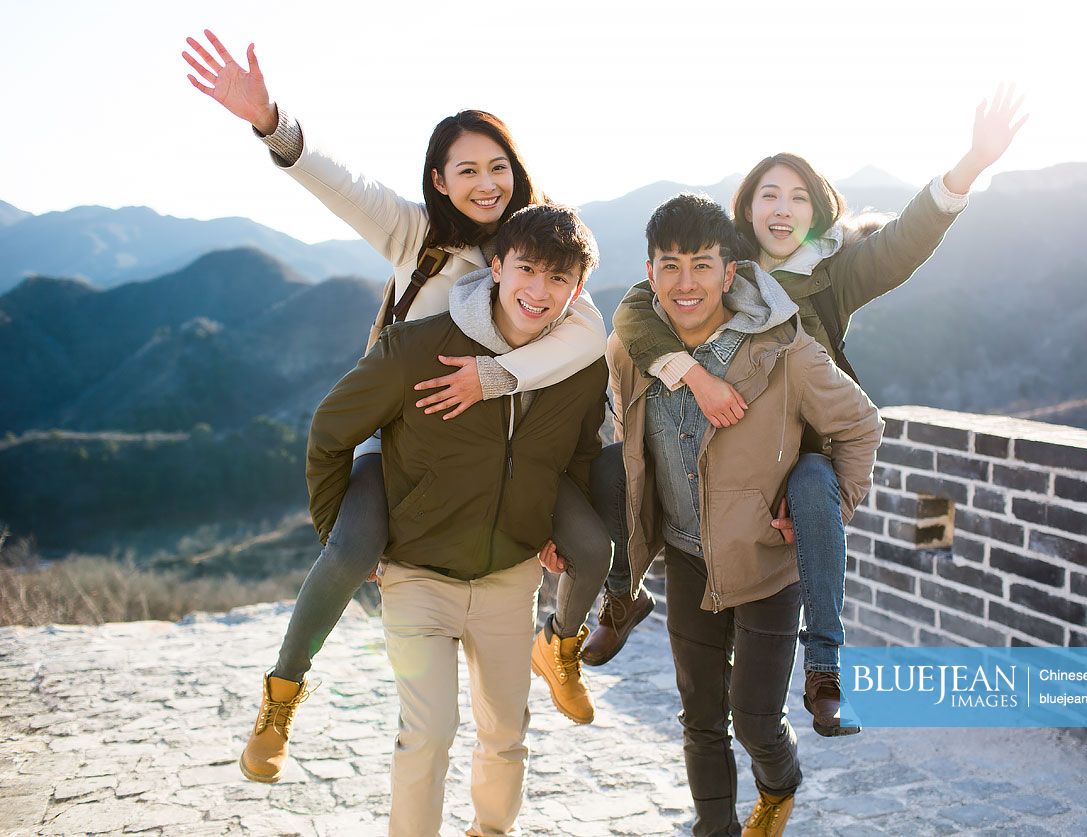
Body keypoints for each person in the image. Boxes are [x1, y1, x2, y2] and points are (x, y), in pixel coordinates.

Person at [181, 30, 611, 784]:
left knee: (596, 536)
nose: (486, 182)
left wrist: (495, 379)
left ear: (518, 172)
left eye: (498, 166)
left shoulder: (539, 249)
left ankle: (564, 642)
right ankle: (280, 701)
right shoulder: (417, 237)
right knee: (349, 552)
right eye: (466, 170)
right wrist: (269, 120)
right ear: (439, 181)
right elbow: (337, 180)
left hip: (510, 451)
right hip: (407, 444)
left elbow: (588, 332)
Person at [586, 87, 1027, 736]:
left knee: (817, 490)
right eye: (768, 193)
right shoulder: (716, 264)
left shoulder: (834, 273)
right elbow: (631, 308)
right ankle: (622, 596)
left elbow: (906, 240)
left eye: (797, 196)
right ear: (747, 208)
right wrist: (685, 371)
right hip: (711, 436)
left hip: (798, 453)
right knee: (621, 460)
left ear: (817, 210)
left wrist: (970, 164)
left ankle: (823, 671)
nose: (781, 206)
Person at [305, 203, 607, 836]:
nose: (539, 291)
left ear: (577, 290)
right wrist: (348, 538)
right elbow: (331, 433)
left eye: (559, 279)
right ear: (495, 266)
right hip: (417, 579)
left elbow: (577, 453)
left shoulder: (579, 366)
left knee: (505, 737)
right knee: (428, 735)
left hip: (510, 580)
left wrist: (553, 526)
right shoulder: (418, 348)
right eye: (526, 269)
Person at [607, 194, 882, 836]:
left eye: (701, 265)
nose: (685, 283)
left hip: (765, 565)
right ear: (650, 273)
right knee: (700, 718)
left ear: (729, 273)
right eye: (669, 266)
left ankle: (780, 782)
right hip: (685, 559)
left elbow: (860, 426)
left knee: (754, 718)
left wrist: (822, 517)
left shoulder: (784, 350)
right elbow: (609, 433)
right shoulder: (633, 351)